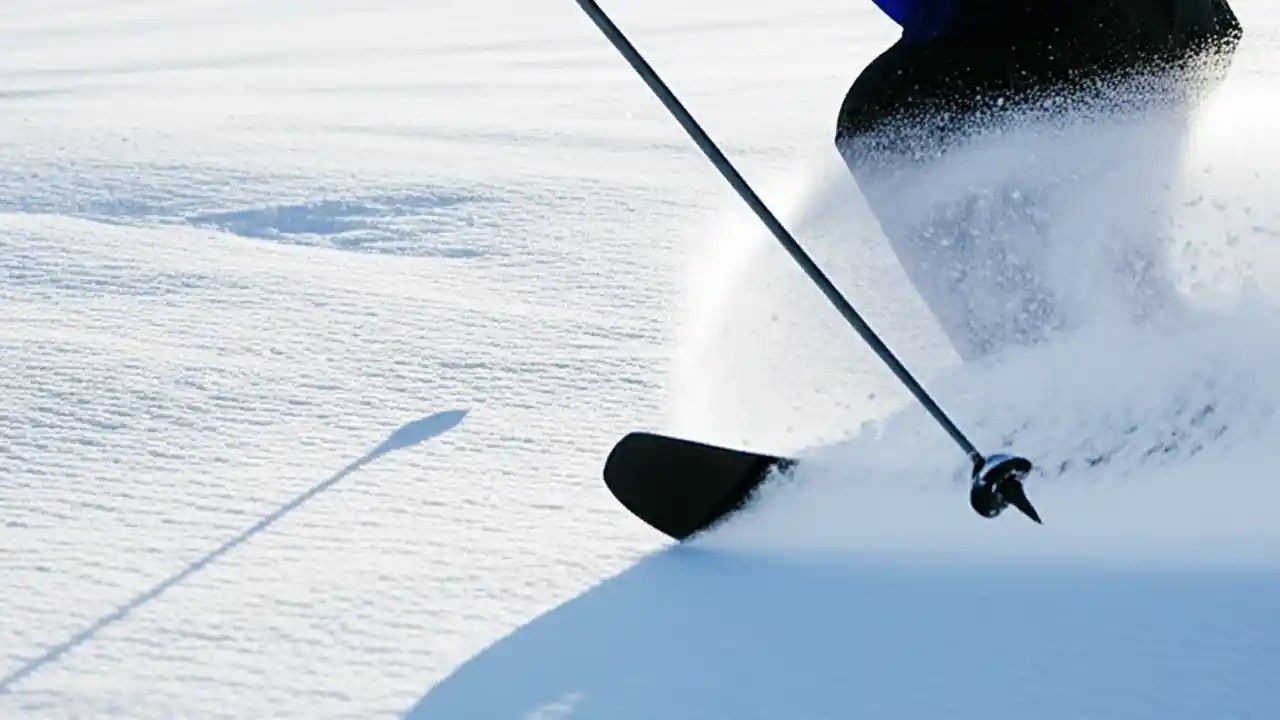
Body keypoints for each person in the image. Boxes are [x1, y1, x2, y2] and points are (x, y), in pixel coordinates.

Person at [835, 0, 1243, 359]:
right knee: (1110, 239)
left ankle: (1023, 370)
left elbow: (927, 11)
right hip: (1184, 21)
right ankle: (1161, 353)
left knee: (879, 122)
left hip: (1068, 27)